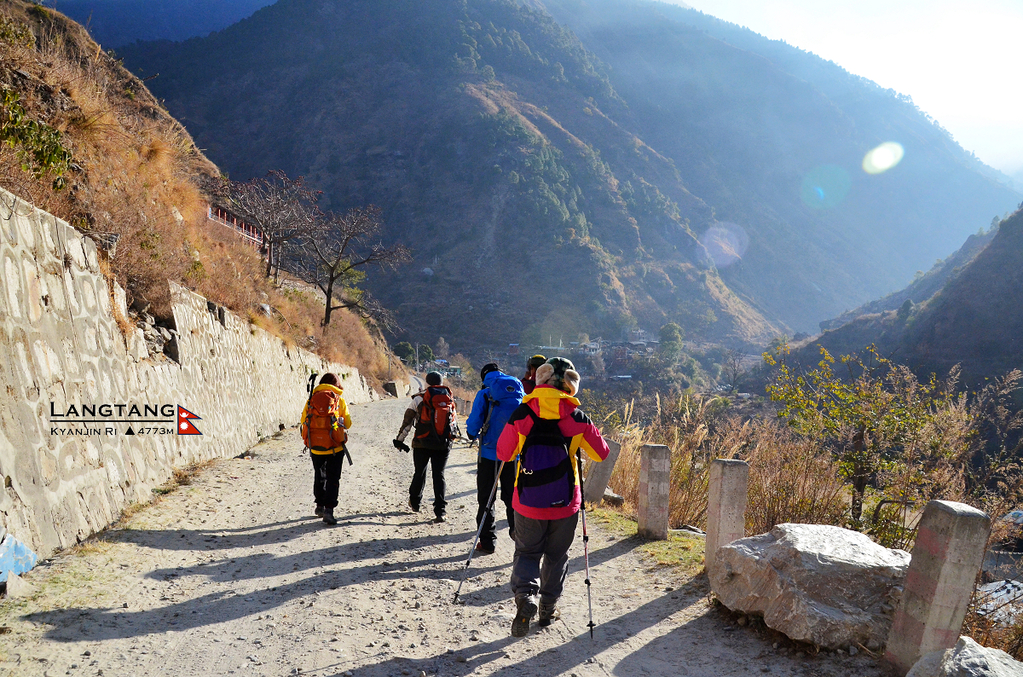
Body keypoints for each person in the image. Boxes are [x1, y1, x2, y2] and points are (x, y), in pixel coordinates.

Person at [496, 357, 610, 637]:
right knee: (556, 556)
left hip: (527, 501)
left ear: (540, 379)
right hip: (565, 503)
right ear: (571, 385)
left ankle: (526, 597)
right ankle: (547, 608)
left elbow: (503, 453)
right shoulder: (577, 417)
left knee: (527, 552)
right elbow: (602, 453)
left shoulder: (523, 412)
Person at [465, 363, 524, 554]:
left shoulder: (485, 393)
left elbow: (474, 422)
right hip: (513, 454)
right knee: (512, 497)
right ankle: (518, 534)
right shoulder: (517, 389)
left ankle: (488, 542)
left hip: (489, 454)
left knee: (486, 498)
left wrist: (471, 434)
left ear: (484, 377)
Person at [393, 371, 456, 523]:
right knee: (439, 475)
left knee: (419, 472)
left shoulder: (419, 398)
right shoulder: (448, 399)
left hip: (422, 442)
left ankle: (415, 503)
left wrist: (400, 440)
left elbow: (407, 421)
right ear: (441, 382)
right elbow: (453, 424)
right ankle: (440, 511)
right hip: (442, 443)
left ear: (427, 382)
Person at [299, 373, 352, 526]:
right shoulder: (339, 400)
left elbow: (303, 420)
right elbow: (347, 423)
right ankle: (329, 510)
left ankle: (319, 506)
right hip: (335, 446)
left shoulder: (312, 399)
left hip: (315, 446)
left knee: (319, 474)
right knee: (333, 478)